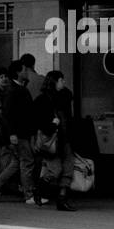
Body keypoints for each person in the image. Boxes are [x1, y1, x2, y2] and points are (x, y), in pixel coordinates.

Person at [0, 60, 37, 204]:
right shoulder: (13, 90)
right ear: (18, 72)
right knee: (27, 161)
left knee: (17, 162)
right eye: (24, 70)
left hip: (20, 132)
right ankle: (28, 195)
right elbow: (8, 114)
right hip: (19, 133)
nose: (26, 72)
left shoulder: (17, 88)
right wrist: (12, 133)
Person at [32, 70, 76, 211]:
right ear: (54, 82)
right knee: (55, 170)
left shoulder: (63, 97)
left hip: (66, 138)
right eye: (61, 80)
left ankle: (62, 199)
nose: (64, 82)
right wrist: (53, 124)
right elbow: (38, 122)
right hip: (51, 140)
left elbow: (70, 95)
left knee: (68, 169)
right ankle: (39, 188)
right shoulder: (42, 100)